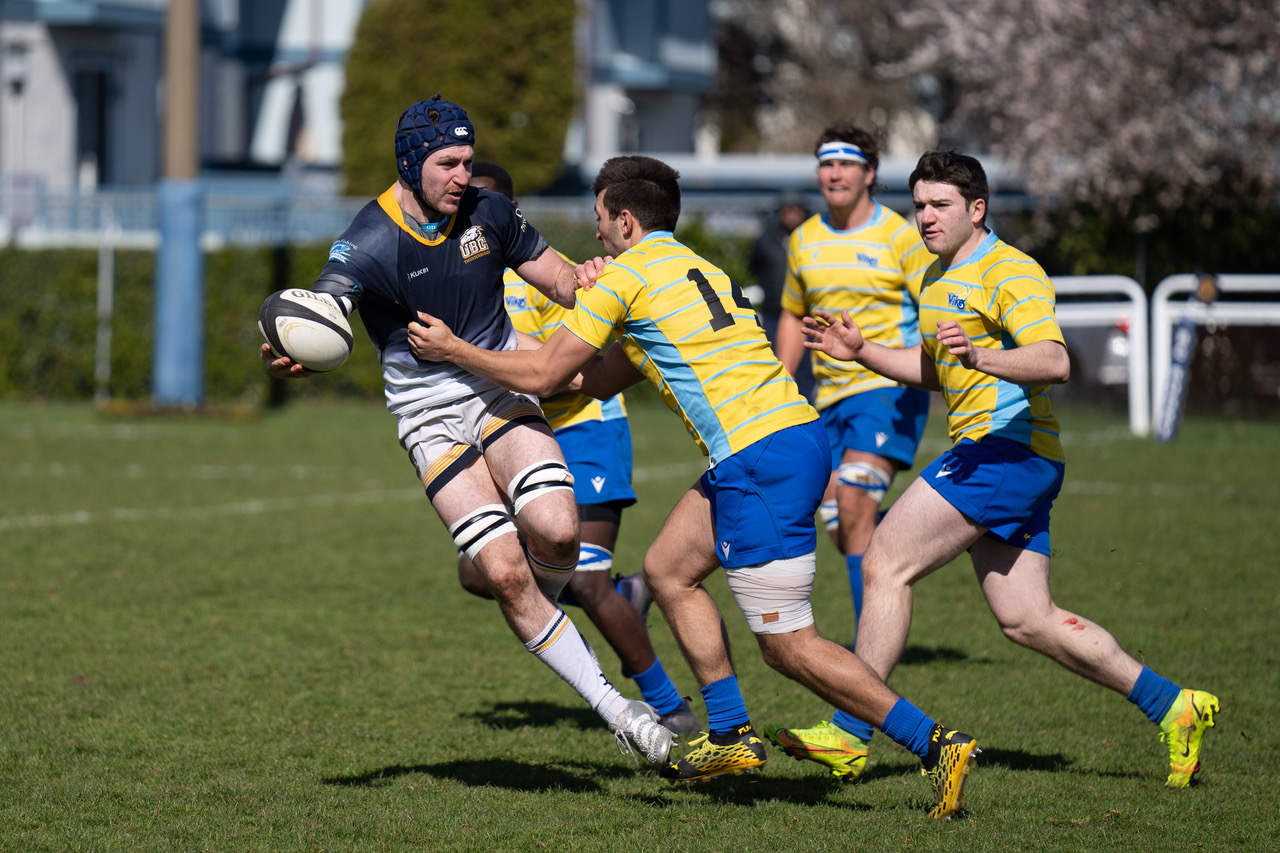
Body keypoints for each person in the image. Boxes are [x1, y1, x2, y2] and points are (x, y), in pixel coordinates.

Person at [408, 154, 983, 820]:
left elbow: (542, 371)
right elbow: (595, 375)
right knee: (667, 569)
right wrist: (528, 372)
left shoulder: (624, 278)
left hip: (759, 457)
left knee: (789, 645)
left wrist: (455, 352)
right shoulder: (692, 266)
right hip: (780, 440)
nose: (594, 236)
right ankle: (732, 732)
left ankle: (936, 742)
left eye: (599, 221)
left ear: (624, 219)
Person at [259, 96, 674, 767]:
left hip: (496, 386)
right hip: (428, 416)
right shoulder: (367, 240)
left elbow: (563, 280)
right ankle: (618, 710)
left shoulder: (493, 213)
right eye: (446, 163)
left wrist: (588, 278)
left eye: (467, 161)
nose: (461, 176)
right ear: (409, 163)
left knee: (559, 530)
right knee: (510, 573)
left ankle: (521, 592)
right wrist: (295, 351)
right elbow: (323, 306)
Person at [795, 149, 1220, 790]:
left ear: (977, 208)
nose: (927, 218)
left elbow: (1055, 360)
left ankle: (851, 733)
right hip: (1016, 460)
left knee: (885, 561)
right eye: (919, 207)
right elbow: (937, 370)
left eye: (941, 205)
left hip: (1003, 452)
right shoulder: (937, 280)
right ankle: (1173, 705)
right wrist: (862, 353)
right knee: (1027, 618)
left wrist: (989, 358)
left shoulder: (1011, 271)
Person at [458, 161, 699, 735]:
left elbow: (573, 362)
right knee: (480, 573)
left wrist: (497, 349)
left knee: (585, 580)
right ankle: (626, 598)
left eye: (480, 205)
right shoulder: (457, 281)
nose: (467, 218)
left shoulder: (544, 276)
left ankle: (668, 707)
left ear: (507, 213)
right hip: (516, 434)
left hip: (587, 428)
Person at [763, 125, 934, 778]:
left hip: (887, 393)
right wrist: (781, 386)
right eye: (825, 164)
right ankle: (934, 527)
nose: (833, 173)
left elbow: (933, 304)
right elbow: (790, 313)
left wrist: (932, 367)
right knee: (842, 523)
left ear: (870, 174)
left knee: (855, 505)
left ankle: (859, 702)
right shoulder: (803, 239)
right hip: (828, 400)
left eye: (846, 164)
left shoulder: (898, 235)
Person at [748, 194, 813, 400]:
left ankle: (806, 407)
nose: (792, 214)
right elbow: (754, 266)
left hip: (806, 316)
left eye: (796, 209)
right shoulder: (767, 239)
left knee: (806, 370)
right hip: (774, 313)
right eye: (788, 209)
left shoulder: (811, 238)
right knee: (775, 365)